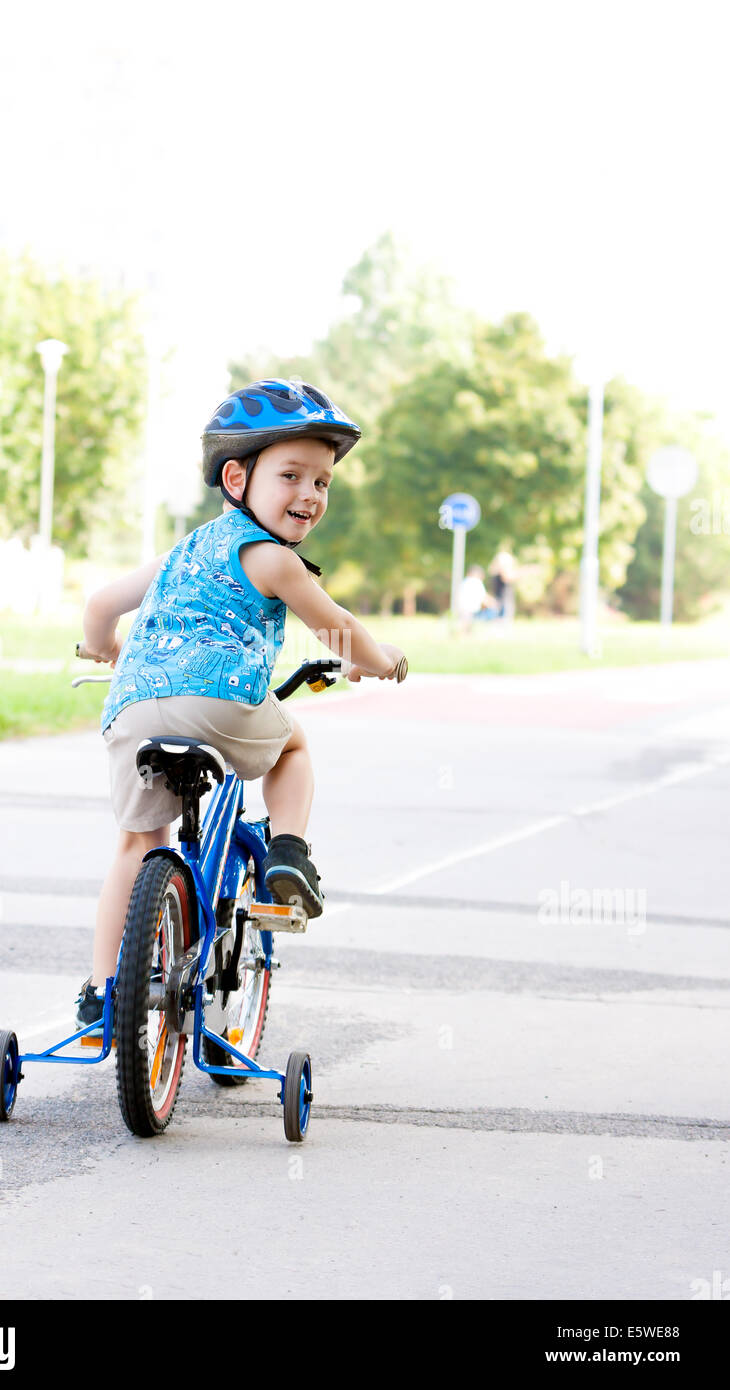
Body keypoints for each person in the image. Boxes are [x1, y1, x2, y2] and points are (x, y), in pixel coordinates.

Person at [74, 378, 406, 1030]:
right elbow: (339, 629)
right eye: (291, 475)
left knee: (138, 842)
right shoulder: (272, 559)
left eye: (322, 483)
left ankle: (101, 992)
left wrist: (106, 649)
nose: (309, 495)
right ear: (236, 477)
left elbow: (101, 606)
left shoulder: (181, 554)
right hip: (221, 703)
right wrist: (382, 661)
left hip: (134, 708)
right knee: (294, 746)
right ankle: (288, 852)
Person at [456, 564, 496, 633]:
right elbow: (483, 597)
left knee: (465, 622)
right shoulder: (476, 582)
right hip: (470, 608)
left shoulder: (465, 581)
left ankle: (463, 634)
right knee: (467, 624)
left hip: (462, 607)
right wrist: (493, 603)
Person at [488, 543, 518, 621]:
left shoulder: (494, 573)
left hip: (501, 601)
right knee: (502, 622)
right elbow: (509, 577)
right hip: (504, 602)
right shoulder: (501, 573)